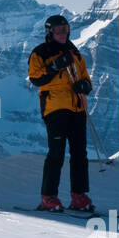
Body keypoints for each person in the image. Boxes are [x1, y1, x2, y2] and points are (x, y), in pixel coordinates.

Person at [28, 14, 95, 211]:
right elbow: (36, 78)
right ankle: (48, 196)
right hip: (55, 106)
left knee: (79, 153)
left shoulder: (74, 52)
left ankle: (78, 195)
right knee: (56, 153)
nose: (63, 34)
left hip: (77, 106)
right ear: (50, 32)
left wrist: (85, 85)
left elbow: (85, 77)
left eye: (65, 30)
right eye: (59, 31)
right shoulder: (41, 52)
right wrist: (55, 66)